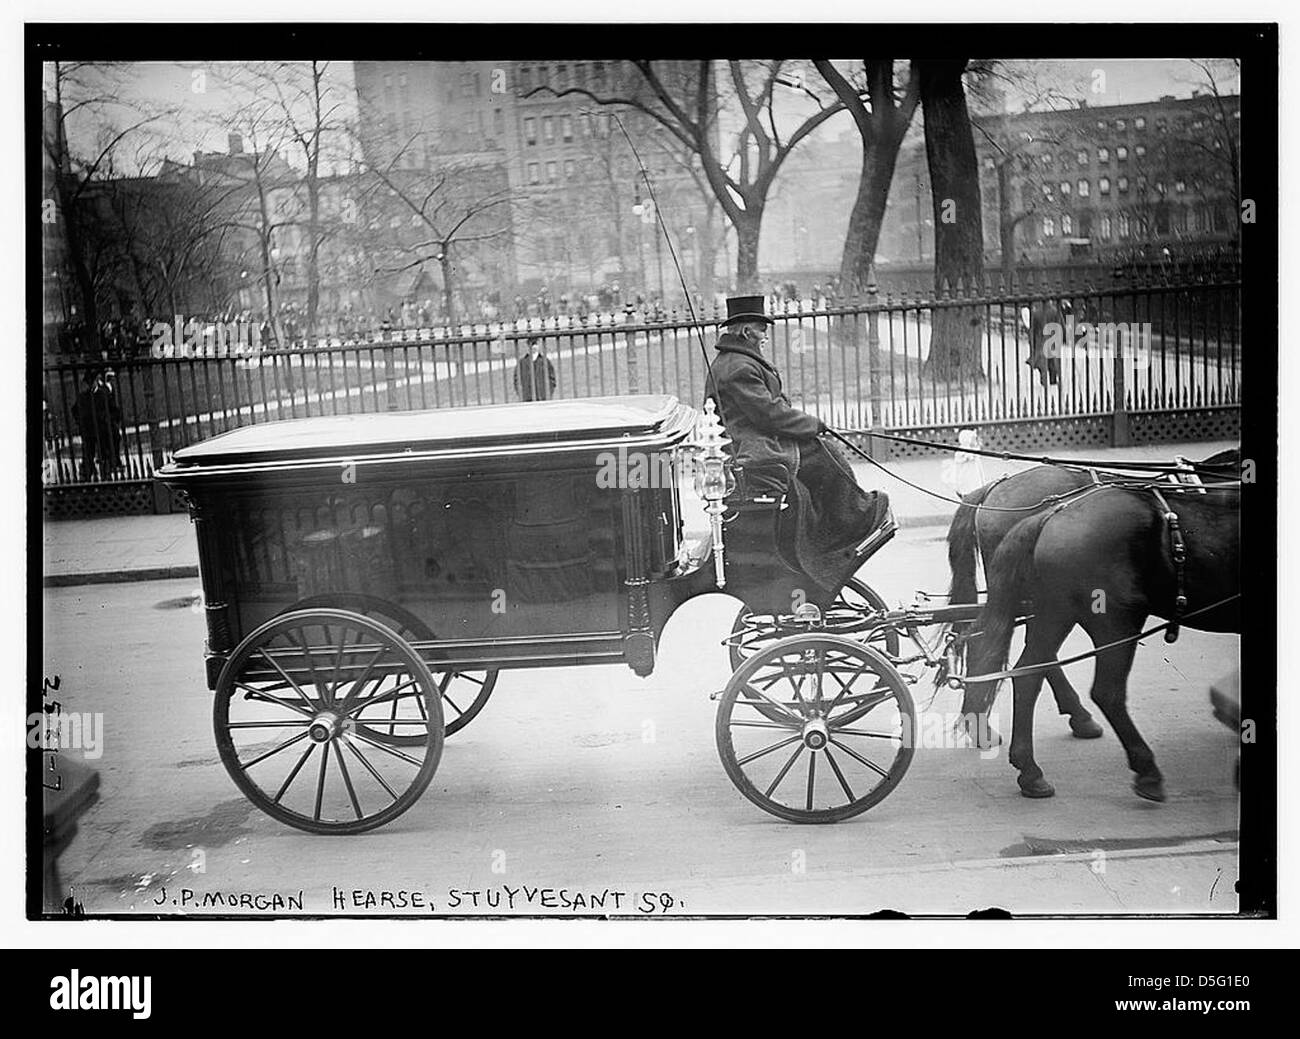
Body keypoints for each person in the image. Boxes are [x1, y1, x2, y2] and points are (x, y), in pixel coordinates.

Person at [704, 294, 891, 592]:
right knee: (823, 454)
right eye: (761, 329)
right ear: (747, 331)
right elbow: (769, 413)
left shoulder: (738, 361)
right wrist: (812, 424)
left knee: (822, 450)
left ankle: (837, 527)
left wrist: (807, 425)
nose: (765, 335)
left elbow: (771, 409)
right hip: (754, 448)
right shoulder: (738, 367)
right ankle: (847, 523)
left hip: (757, 438)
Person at [513, 337, 557, 401]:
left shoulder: (545, 361)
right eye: (531, 344)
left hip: (543, 397)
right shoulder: (522, 363)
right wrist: (522, 394)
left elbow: (552, 378)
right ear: (528, 345)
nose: (533, 346)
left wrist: (548, 393)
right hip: (527, 398)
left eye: (535, 344)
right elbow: (517, 380)